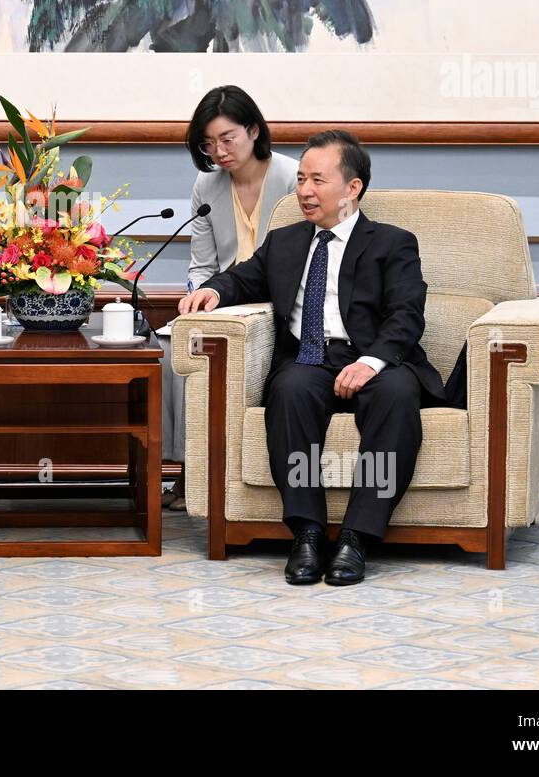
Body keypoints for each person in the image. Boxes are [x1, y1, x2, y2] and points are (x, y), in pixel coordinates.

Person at [178, 129, 453, 586]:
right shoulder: (285, 242)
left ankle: (357, 538)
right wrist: (213, 289)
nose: (304, 191)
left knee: (398, 394)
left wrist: (371, 363)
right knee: (288, 389)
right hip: (308, 358)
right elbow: (242, 279)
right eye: (301, 178)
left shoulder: (392, 243)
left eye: (317, 180)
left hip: (372, 359)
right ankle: (306, 533)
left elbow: (406, 316)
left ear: (352, 188)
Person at [158, 86, 298, 511]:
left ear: (254, 131)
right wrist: (197, 297)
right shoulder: (207, 184)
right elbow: (202, 264)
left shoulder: (293, 178)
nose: (218, 151)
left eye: (227, 138)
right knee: (171, 344)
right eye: (208, 143)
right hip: (223, 302)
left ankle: (206, 476)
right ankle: (185, 471)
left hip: (279, 304)